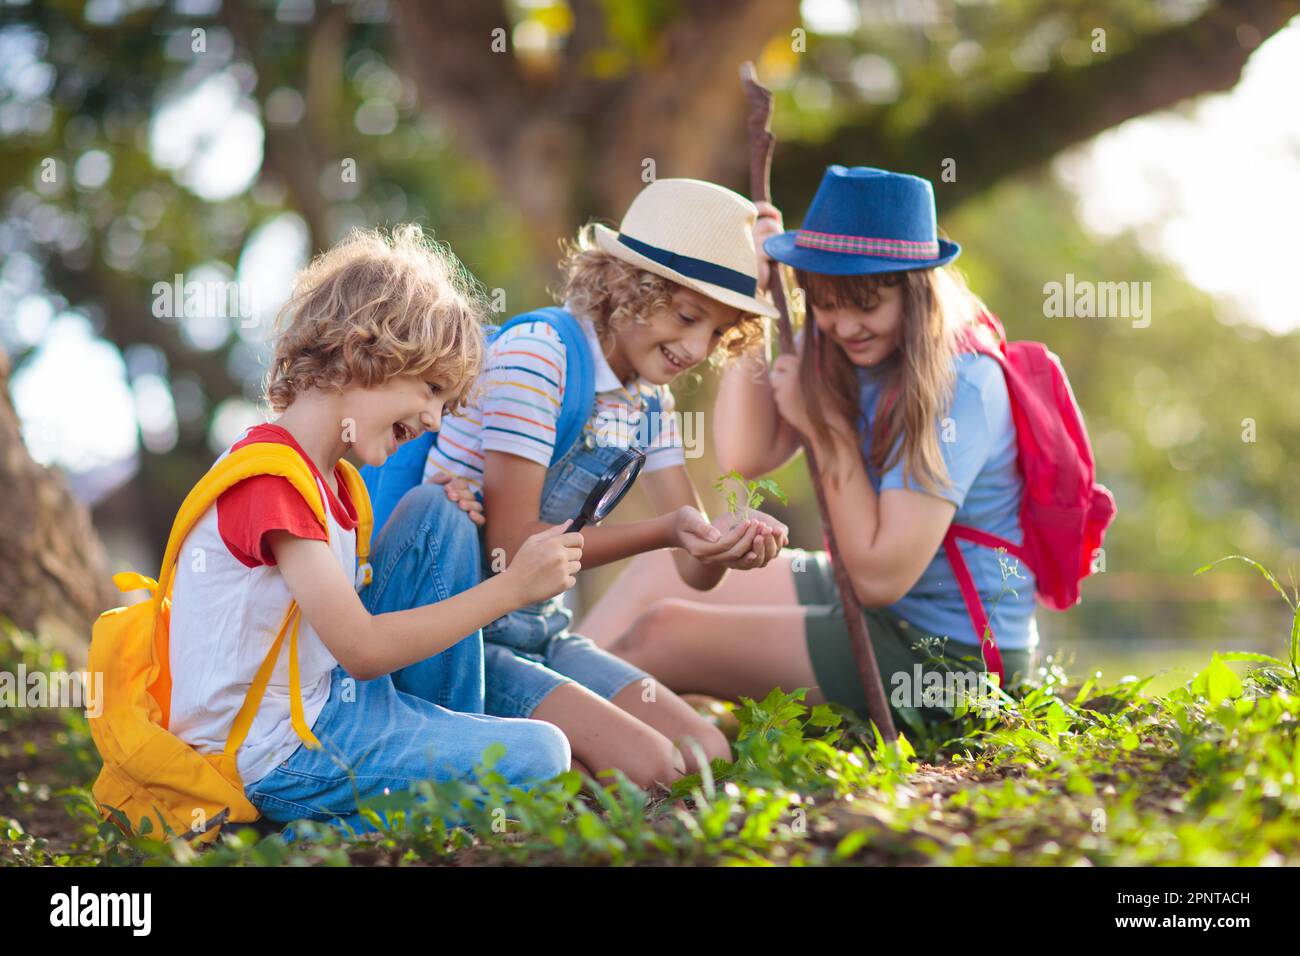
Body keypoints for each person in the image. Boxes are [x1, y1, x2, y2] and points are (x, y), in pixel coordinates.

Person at [581, 166, 1038, 732]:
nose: (844, 325)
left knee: (661, 635)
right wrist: (750, 300)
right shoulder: (846, 349)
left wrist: (825, 432)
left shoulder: (960, 383)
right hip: (865, 599)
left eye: (866, 303)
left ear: (916, 290)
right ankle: (525, 698)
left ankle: (555, 746)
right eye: (824, 302)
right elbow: (745, 455)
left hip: (951, 654)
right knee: (660, 574)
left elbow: (879, 578)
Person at [166, 225, 581, 836]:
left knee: (432, 513)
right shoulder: (269, 481)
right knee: (542, 758)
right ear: (367, 350)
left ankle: (443, 767)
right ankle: (293, 843)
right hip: (273, 756)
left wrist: (449, 523)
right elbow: (360, 650)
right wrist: (512, 590)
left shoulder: (333, 483)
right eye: (432, 390)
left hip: (326, 708)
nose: (436, 418)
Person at [422, 178, 790, 786]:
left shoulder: (650, 404)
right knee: (653, 769)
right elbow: (510, 552)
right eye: (687, 315)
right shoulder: (539, 357)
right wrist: (668, 531)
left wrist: (727, 543)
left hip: (542, 629)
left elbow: (695, 568)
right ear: (625, 286)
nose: (698, 347)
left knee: (707, 753)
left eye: (720, 333)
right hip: (468, 640)